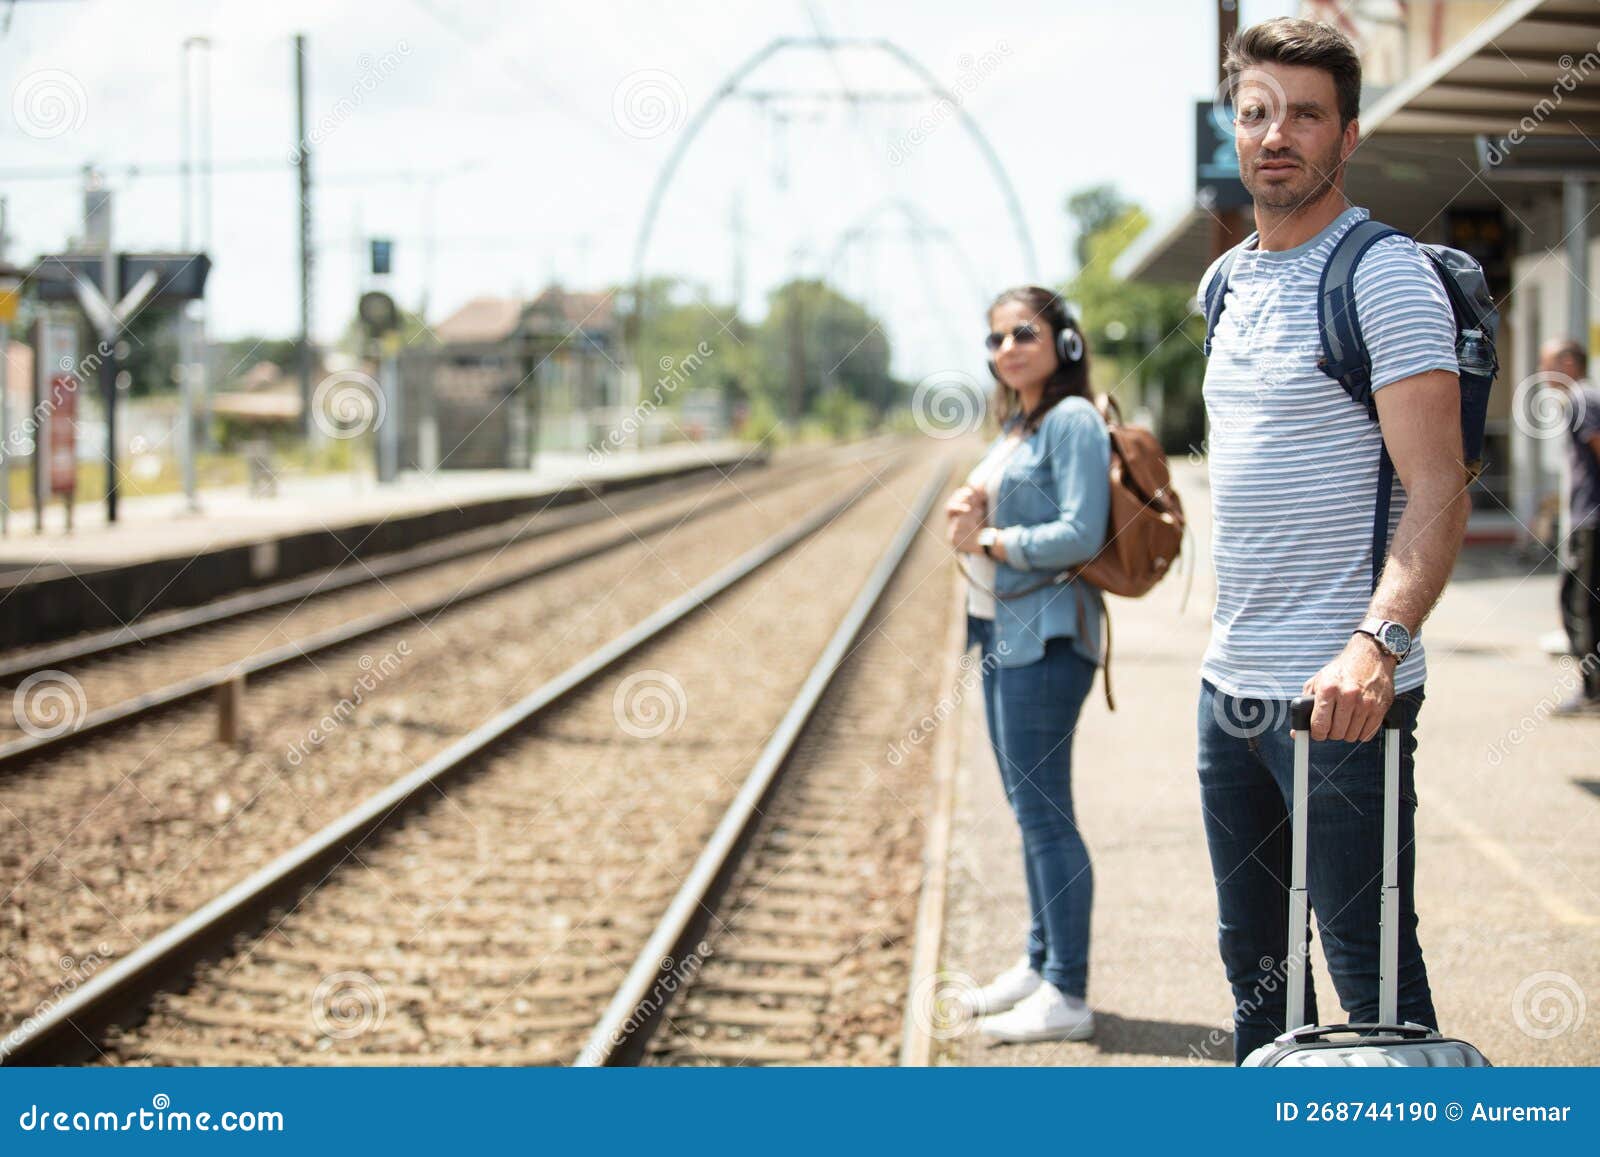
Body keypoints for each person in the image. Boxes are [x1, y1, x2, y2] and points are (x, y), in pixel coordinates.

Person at [1195, 18, 1470, 1063]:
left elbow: (1439, 485)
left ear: (1346, 134)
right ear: (1234, 127)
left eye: (1304, 114)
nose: (1276, 134)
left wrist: (1378, 642)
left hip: (1345, 693)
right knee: (1253, 969)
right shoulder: (1224, 285)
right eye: (1257, 112)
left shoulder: (1382, 275)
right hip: (1230, 689)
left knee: (1371, 977)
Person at [944, 285, 1111, 1042]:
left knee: (1046, 816)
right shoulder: (1020, 422)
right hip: (1004, 632)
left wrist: (993, 540)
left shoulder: (1073, 419)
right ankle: (1040, 962)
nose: (1006, 348)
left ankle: (1068, 992)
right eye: (996, 339)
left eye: (1023, 333)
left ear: (1064, 343)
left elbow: (1082, 531)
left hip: (1048, 637)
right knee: (1028, 811)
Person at [1539, 339, 1600, 715]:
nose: (1542, 374)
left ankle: (1594, 692)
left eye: (1547, 364)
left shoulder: (1582, 398)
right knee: (1579, 604)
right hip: (1587, 517)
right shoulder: (1581, 398)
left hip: (1593, 520)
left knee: (1582, 607)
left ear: (1567, 362)